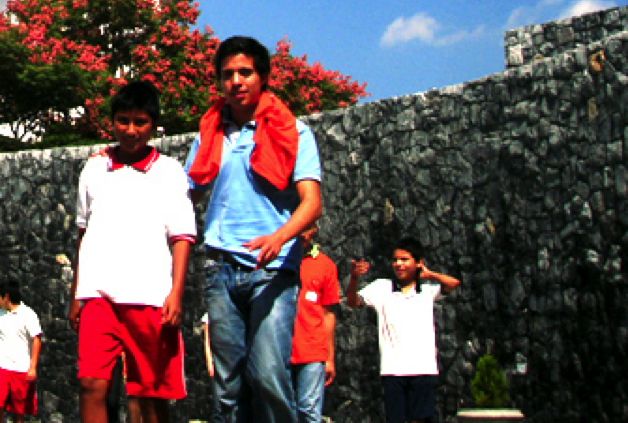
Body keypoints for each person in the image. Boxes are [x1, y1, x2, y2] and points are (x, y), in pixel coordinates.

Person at [186, 36, 322, 423]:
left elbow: (312, 203)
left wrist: (279, 238)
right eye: (227, 74)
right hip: (220, 267)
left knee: (267, 375)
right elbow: (184, 192)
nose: (237, 81)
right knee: (227, 387)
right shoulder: (210, 133)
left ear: (262, 77)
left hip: (273, 269)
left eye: (245, 72)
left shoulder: (294, 132)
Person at [70, 80, 195, 423]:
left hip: (149, 296)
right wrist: (75, 294)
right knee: (90, 384)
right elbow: (83, 234)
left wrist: (176, 293)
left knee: (149, 393)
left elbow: (182, 237)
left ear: (153, 126)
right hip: (98, 296)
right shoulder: (94, 168)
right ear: (112, 122)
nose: (130, 130)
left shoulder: (168, 171)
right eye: (123, 120)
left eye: (140, 122)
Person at [346, 236, 461, 423]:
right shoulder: (382, 288)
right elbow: (353, 302)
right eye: (395, 260)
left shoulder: (427, 290)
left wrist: (429, 274)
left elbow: (453, 283)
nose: (399, 264)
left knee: (421, 419)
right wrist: (354, 279)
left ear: (418, 263)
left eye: (405, 259)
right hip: (393, 370)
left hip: (422, 369)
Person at [290, 225, 339, 423]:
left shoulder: (325, 265)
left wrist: (329, 357)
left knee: (308, 409)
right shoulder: (275, 261)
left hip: (312, 351)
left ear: (315, 229)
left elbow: (328, 314)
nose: (302, 233)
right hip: (279, 350)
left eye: (307, 228)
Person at [0, 280, 42, 422]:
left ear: (6, 297)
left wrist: (32, 368)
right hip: (0, 366)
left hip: (20, 368)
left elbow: (36, 340)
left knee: (18, 410)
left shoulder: (28, 314)